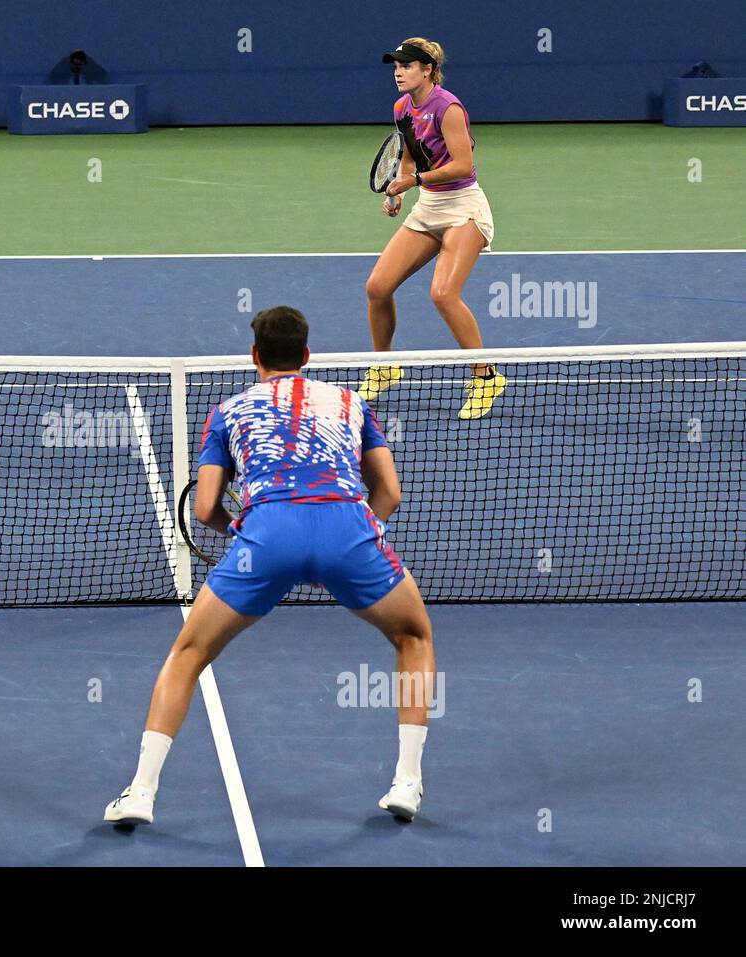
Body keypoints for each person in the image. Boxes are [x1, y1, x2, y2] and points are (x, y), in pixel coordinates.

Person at [105, 306, 437, 827]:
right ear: (306, 356)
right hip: (347, 530)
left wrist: (244, 537)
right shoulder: (352, 403)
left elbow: (205, 507)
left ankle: (141, 792)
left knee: (189, 653)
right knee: (414, 637)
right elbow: (389, 493)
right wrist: (347, 541)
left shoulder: (229, 411)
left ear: (254, 355)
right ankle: (408, 784)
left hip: (267, 537)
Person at [362, 38, 504, 420]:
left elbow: (462, 165)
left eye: (406, 66)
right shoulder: (402, 107)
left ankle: (486, 376)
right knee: (377, 287)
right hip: (429, 206)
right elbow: (408, 154)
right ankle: (384, 365)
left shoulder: (448, 107)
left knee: (443, 293)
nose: (398, 71)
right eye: (395, 65)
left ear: (427, 69)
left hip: (463, 208)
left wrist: (415, 181)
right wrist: (398, 194)